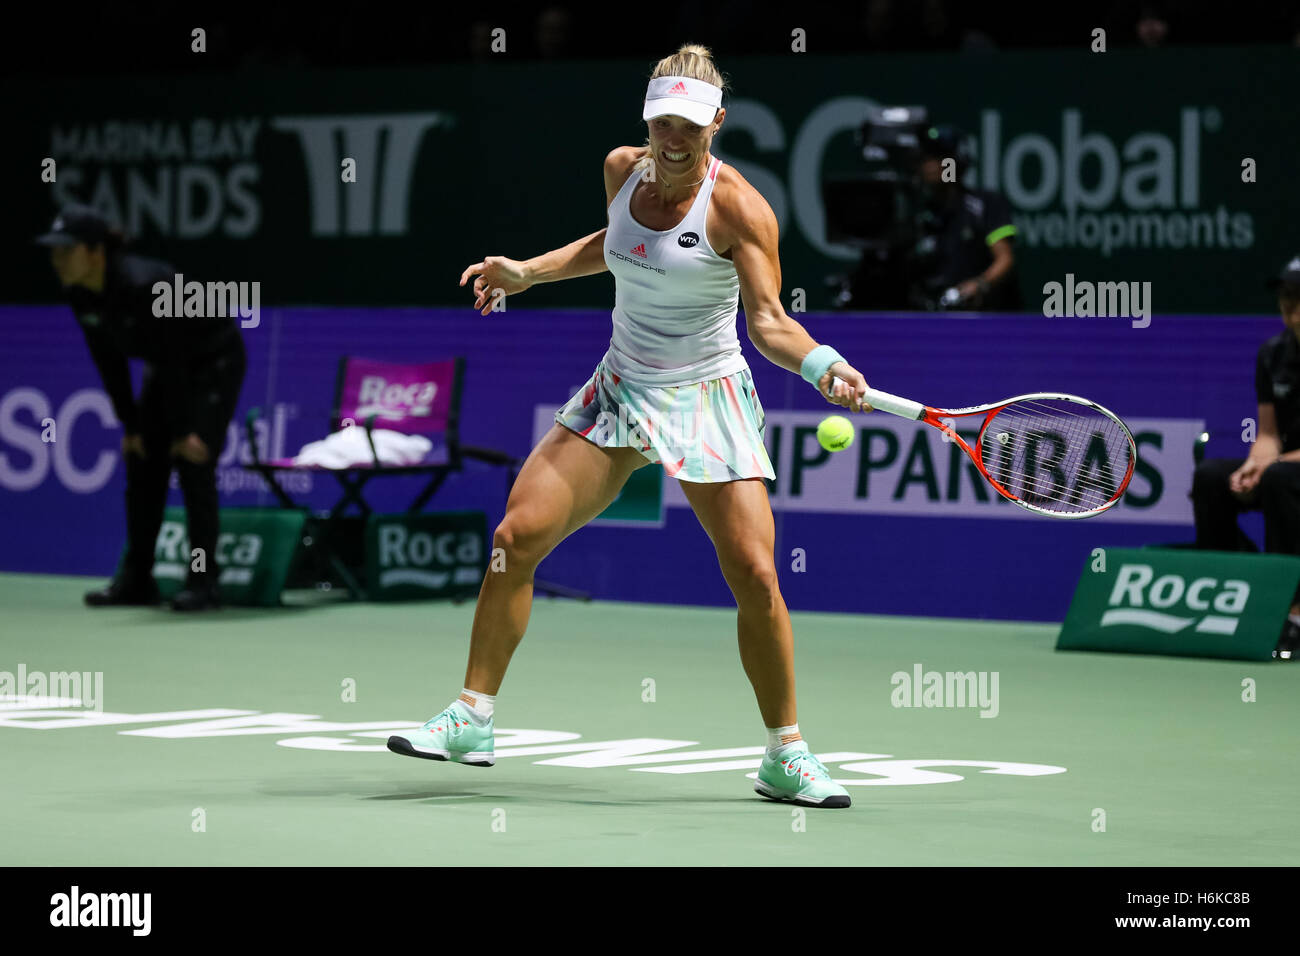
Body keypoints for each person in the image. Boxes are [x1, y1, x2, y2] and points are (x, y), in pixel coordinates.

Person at [388, 44, 874, 808]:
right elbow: (616, 247)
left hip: (706, 394)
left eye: (687, 124)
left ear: (716, 121)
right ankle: (471, 718)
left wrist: (823, 366)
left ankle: (786, 754)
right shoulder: (623, 168)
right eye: (660, 124)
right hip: (619, 389)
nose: (672, 140)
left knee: (754, 574)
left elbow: (771, 322)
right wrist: (529, 272)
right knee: (516, 540)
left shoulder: (739, 207)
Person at [36, 203, 247, 611]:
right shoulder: (80, 294)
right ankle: (137, 579)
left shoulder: (147, 285)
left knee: (193, 464)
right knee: (143, 464)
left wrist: (187, 430)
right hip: (169, 367)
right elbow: (109, 361)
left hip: (212, 362)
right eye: (54, 251)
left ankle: (204, 583)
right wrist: (131, 426)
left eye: (66, 249)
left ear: (95, 252)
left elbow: (174, 359)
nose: (57, 259)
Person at [1191, 254, 1300, 658]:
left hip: (1288, 475)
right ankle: (1220, 597)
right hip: (1284, 467)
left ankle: (1290, 612)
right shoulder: (1272, 354)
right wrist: (1254, 463)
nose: (1290, 305)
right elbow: (1268, 433)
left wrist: (1270, 467)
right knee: (1211, 478)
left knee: (1278, 481)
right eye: (1287, 295)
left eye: (1298, 296)